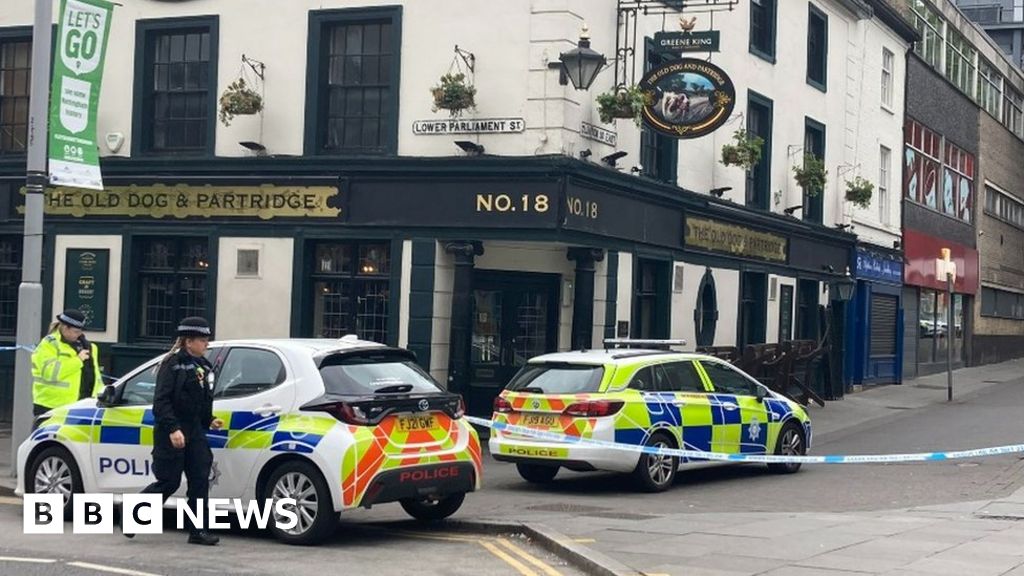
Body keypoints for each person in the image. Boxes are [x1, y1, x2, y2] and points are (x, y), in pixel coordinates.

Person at [127, 317, 224, 545]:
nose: (206, 344)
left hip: (195, 431)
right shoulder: (172, 364)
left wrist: (209, 419)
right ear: (188, 342)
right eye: (202, 340)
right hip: (171, 431)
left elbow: (200, 401)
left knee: (200, 480)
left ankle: (198, 531)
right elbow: (161, 402)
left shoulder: (204, 366)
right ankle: (134, 514)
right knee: (169, 482)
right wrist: (173, 428)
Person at [31, 309, 103, 416]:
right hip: (52, 405)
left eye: (80, 331)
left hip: (83, 405)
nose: (79, 335)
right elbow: (50, 373)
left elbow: (95, 376)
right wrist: (77, 360)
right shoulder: (49, 344)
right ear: (65, 328)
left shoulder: (89, 346)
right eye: (76, 332)